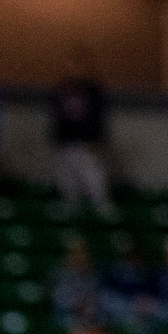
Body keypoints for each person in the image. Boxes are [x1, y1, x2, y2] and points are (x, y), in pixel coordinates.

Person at [51, 52, 112, 215]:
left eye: (79, 64)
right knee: (68, 182)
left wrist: (97, 141)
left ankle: (102, 212)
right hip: (67, 143)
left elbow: (99, 118)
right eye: (71, 64)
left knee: (94, 180)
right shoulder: (62, 89)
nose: (75, 69)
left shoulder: (93, 90)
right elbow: (57, 117)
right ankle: (71, 211)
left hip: (87, 144)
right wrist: (57, 138)